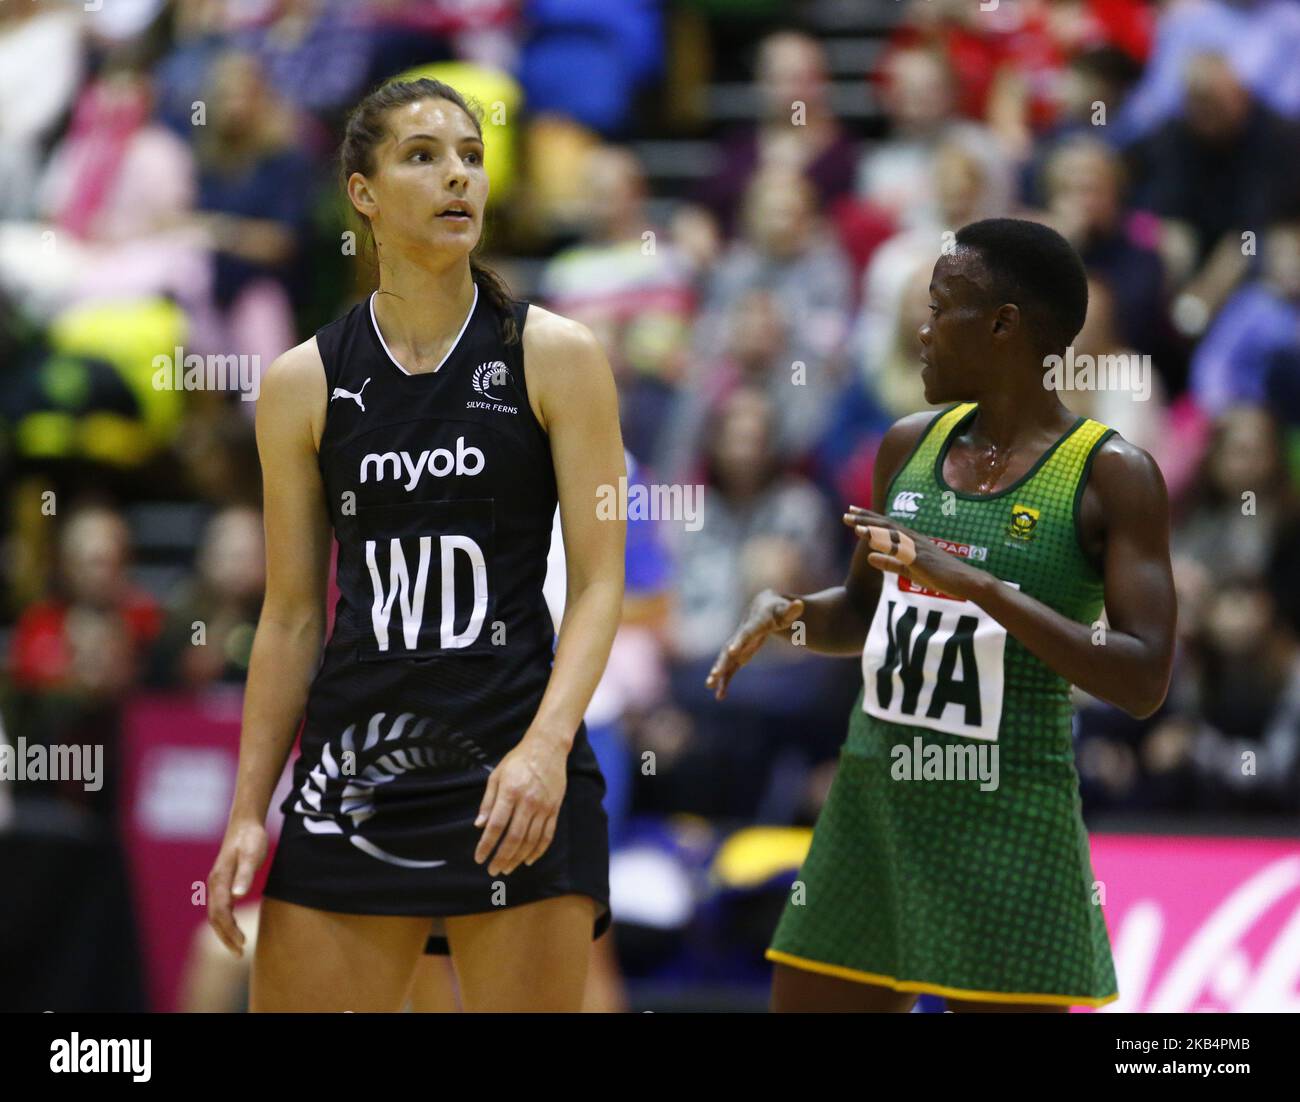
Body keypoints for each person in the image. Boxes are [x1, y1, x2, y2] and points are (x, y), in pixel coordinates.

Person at [204, 77, 626, 1012]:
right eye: (424, 156)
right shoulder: (302, 382)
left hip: (514, 768)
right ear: (364, 194)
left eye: (471, 157)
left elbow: (600, 586)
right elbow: (290, 615)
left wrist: (545, 749)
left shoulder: (555, 354)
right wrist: (246, 812)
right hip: (350, 775)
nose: (458, 178)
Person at [707, 218, 1176, 1012]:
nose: (918, 329)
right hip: (873, 803)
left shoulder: (1111, 474)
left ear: (1004, 326)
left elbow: (1141, 680)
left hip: (1009, 816)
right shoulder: (906, 446)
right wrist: (786, 615)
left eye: (940, 306)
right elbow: (860, 614)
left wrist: (981, 586)